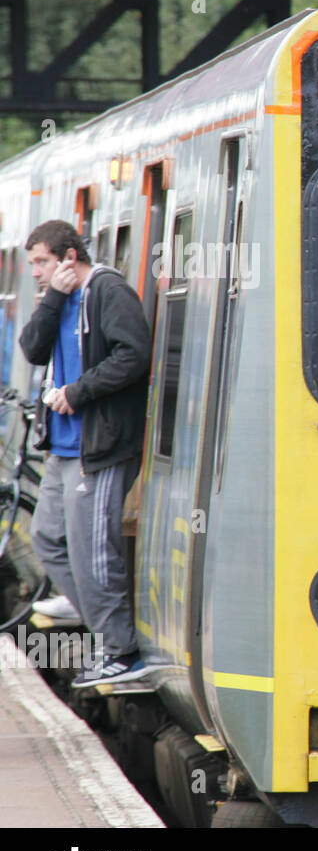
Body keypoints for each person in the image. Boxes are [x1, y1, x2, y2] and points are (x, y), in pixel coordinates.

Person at [20, 220, 152, 686]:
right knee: (49, 538)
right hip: (62, 444)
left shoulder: (108, 292)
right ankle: (95, 612)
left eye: (41, 262)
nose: (34, 271)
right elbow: (32, 350)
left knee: (94, 551)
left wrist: (79, 391)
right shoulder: (59, 298)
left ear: (69, 258)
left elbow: (134, 355)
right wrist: (53, 298)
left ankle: (121, 650)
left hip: (99, 445)